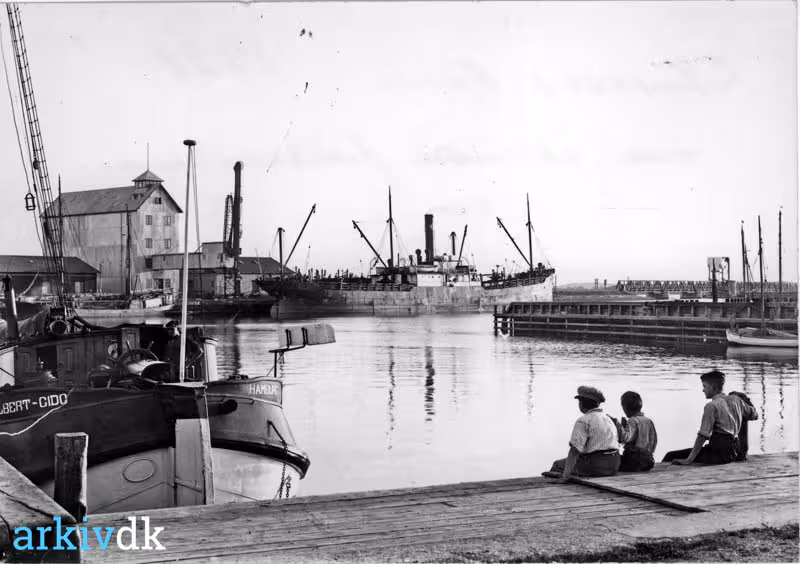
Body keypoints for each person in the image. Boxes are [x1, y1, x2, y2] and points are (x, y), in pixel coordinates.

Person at [662, 370, 758, 465]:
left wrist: (689, 460)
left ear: (713, 387)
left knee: (670, 456)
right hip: (734, 452)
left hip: (718, 454)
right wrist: (745, 399)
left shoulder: (711, 406)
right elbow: (754, 415)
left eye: (705, 386)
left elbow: (703, 435)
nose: (703, 390)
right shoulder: (737, 400)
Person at [550, 385, 620, 480]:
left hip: (595, 466)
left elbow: (575, 451)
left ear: (581, 403)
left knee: (557, 465)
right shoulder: (608, 418)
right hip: (614, 465)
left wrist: (565, 477)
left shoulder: (583, 421)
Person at [613, 391, 657, 472]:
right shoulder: (648, 421)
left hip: (634, 461)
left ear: (625, 408)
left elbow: (625, 438)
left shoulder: (632, 421)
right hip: (648, 461)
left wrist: (618, 425)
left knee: (613, 459)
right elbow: (654, 441)